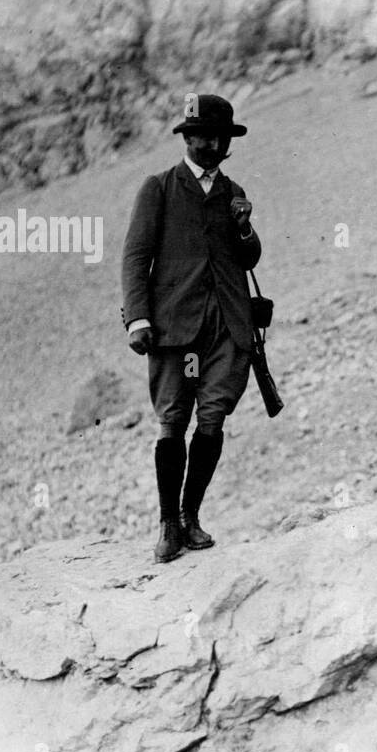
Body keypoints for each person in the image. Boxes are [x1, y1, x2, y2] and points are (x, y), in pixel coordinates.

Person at [121, 94, 261, 562]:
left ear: (226, 143)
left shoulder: (232, 191)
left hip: (226, 327)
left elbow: (249, 258)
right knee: (171, 422)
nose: (206, 144)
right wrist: (138, 318)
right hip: (172, 329)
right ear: (186, 138)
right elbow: (136, 257)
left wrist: (243, 228)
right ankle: (167, 525)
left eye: (215, 137)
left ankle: (190, 517)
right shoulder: (158, 188)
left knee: (214, 418)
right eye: (198, 135)